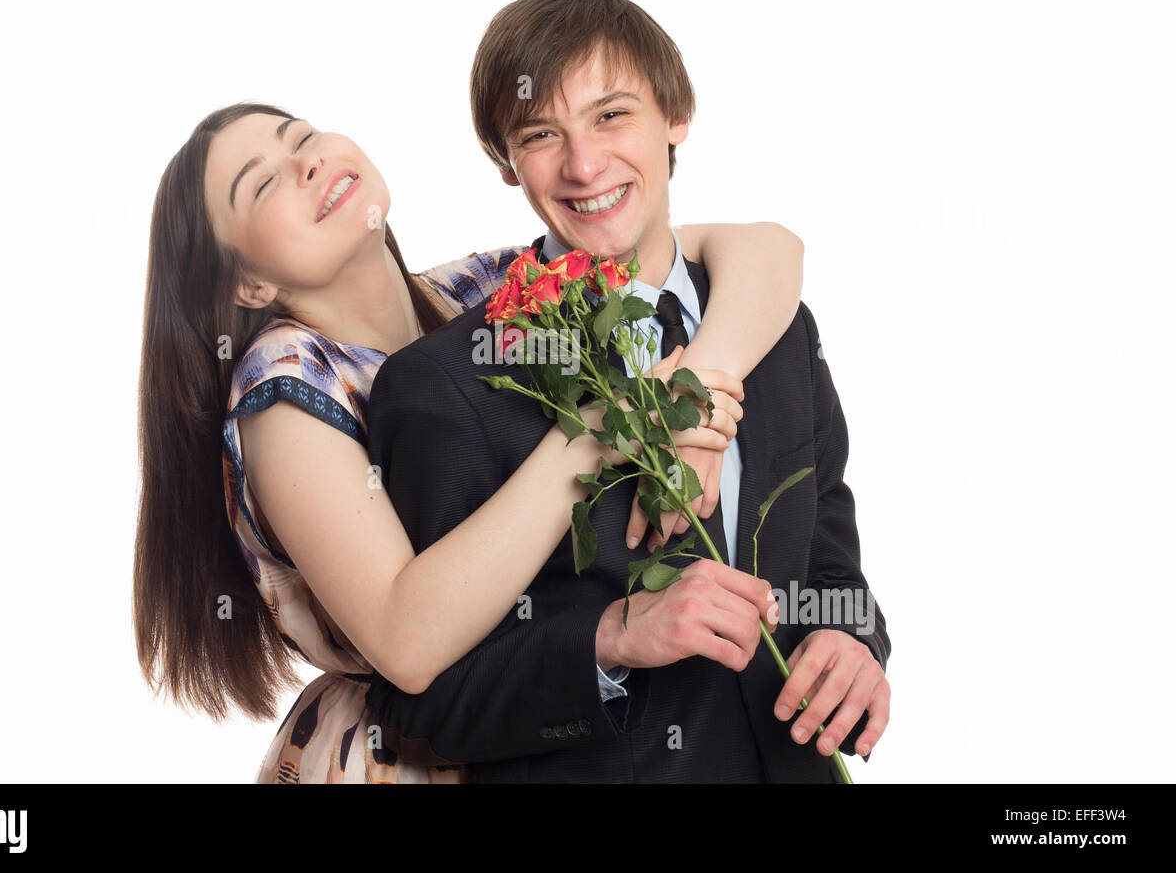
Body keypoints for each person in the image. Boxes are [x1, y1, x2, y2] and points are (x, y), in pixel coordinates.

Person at [132, 99, 809, 783]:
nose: (306, 161)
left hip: (542, 726)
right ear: (250, 283)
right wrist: (598, 434)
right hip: (403, 760)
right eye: (264, 182)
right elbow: (406, 639)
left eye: (301, 136)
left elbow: (764, 250)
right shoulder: (284, 388)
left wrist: (688, 395)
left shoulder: (472, 296)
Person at [364, 0, 892, 783]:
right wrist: (611, 638)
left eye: (612, 115)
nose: (583, 164)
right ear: (507, 163)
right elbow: (422, 699)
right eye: (541, 134)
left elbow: (826, 558)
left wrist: (850, 642)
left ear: (675, 116)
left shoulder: (779, 328)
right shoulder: (444, 385)